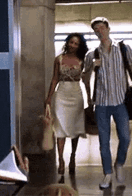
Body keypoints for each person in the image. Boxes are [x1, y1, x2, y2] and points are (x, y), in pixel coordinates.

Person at [83, 17, 132, 189]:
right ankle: (107, 174)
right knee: (103, 142)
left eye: (102, 27)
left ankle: (119, 163)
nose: (99, 31)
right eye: (96, 29)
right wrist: (89, 97)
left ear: (108, 28)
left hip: (121, 102)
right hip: (102, 104)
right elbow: (86, 76)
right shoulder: (92, 55)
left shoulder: (124, 49)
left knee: (125, 138)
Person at [45, 33, 88, 175]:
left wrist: (91, 98)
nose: (73, 45)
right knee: (60, 128)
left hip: (76, 93)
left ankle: (73, 156)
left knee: (75, 128)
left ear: (79, 46)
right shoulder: (59, 59)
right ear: (67, 42)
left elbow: (86, 80)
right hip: (61, 93)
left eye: (76, 43)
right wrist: (49, 98)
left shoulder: (83, 60)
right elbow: (54, 79)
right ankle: (61, 159)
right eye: (71, 42)